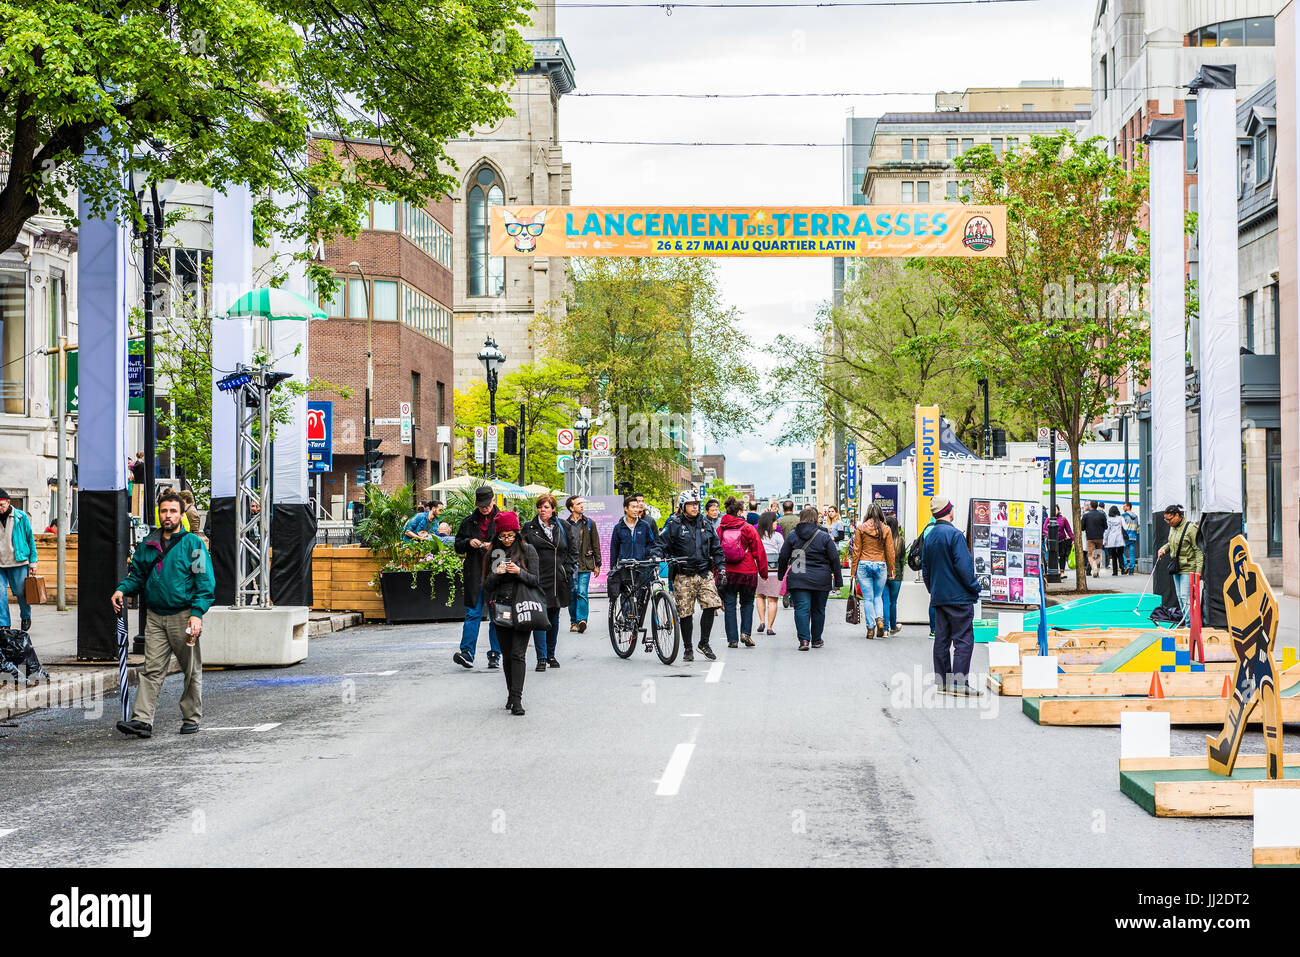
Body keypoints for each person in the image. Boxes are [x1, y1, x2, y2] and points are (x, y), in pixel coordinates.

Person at [112, 490, 215, 737]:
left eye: (173, 511)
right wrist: (121, 589)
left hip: (184, 615)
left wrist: (197, 614)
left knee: (190, 669)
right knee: (151, 670)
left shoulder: (193, 545)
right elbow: (137, 575)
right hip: (155, 617)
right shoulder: (149, 543)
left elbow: (204, 582)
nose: (168, 515)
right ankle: (142, 720)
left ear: (182, 514)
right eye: (164, 511)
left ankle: (191, 717)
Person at [922, 496, 980, 695]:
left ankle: (943, 682)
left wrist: (934, 590)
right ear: (948, 511)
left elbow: (926, 570)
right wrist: (974, 587)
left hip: (939, 595)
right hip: (959, 597)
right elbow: (964, 566)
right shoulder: (955, 535)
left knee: (942, 639)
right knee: (963, 639)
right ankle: (959, 683)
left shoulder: (929, 536)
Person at [482, 511, 537, 716]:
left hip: (523, 606)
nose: (507, 539)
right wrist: (497, 574)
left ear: (517, 533)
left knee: (518, 654)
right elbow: (486, 585)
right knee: (507, 655)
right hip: (501, 608)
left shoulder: (527, 550)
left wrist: (518, 572)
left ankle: (517, 699)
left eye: (510, 535)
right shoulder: (493, 553)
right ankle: (510, 694)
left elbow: (536, 580)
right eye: (503, 536)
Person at [660, 493, 724, 662]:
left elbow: (716, 548)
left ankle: (704, 643)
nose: (695, 507)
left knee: (711, 605)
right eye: (691, 504)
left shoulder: (705, 523)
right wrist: (656, 555)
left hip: (704, 572)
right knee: (685, 613)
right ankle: (688, 647)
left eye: (696, 503)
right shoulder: (673, 524)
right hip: (683, 574)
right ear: (682, 506)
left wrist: (722, 568)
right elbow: (661, 544)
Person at [777, 506, 843, 650]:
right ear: (815, 519)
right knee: (818, 610)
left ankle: (804, 640)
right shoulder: (824, 536)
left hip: (798, 575)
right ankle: (817, 640)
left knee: (801, 608)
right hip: (821, 577)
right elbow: (834, 559)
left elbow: (783, 556)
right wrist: (838, 581)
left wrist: (781, 574)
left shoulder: (793, 535)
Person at [453, 486, 502, 670]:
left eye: (487, 505)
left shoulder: (501, 520)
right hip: (474, 576)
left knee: (496, 615)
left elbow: (513, 542)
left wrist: (494, 545)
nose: (484, 508)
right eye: (481, 505)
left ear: (493, 500)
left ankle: (495, 654)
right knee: (472, 614)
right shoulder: (469, 522)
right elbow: (457, 545)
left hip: (496, 575)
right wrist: (468, 542)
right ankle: (467, 653)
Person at [522, 494, 572, 671]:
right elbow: (522, 552)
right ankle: (541, 657)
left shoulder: (563, 526)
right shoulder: (529, 527)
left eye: (546, 507)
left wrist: (569, 570)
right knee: (539, 618)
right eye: (540, 507)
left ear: (553, 509)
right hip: (538, 578)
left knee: (553, 618)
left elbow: (572, 550)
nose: (542, 510)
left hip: (558, 578)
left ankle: (551, 654)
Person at [716, 497, 768, 648]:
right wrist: (763, 573)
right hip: (747, 572)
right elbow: (759, 551)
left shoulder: (721, 529)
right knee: (747, 603)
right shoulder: (747, 528)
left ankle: (732, 639)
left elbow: (715, 551)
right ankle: (745, 633)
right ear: (739, 512)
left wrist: (716, 572)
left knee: (730, 604)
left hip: (728, 572)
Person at [607, 493, 661, 609]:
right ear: (626, 508)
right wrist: (613, 568)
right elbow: (614, 548)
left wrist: (651, 555)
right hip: (625, 566)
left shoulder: (645, 525)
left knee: (640, 596)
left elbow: (652, 544)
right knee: (626, 595)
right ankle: (627, 621)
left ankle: (637, 623)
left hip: (641, 566)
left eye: (637, 507)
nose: (636, 510)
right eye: (633, 507)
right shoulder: (618, 527)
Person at [850, 502, 894, 638]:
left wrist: (853, 571)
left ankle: (870, 629)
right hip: (880, 563)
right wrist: (891, 569)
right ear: (880, 514)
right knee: (878, 596)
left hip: (863, 563)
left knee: (868, 598)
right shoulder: (886, 529)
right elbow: (890, 551)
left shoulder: (861, 528)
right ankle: (880, 620)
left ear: (867, 513)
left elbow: (856, 550)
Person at [0, 491, 37, 632]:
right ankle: (4, 624)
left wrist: (33, 562)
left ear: (8, 502)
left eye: (1, 505)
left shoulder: (21, 517)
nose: (0, 508)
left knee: (22, 593)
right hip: (0, 564)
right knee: (0, 594)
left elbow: (30, 540)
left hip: (18, 562)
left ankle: (26, 616)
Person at [564, 495, 601, 634]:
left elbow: (596, 544)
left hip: (585, 563)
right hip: (570, 564)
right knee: (572, 593)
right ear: (571, 508)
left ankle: (582, 620)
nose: (581, 506)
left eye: (581, 503)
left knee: (582, 592)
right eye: (578, 504)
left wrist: (598, 564)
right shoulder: (565, 525)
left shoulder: (590, 523)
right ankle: (573, 621)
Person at [1156, 504, 1202, 616]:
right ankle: (1187, 622)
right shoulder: (1173, 527)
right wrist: (1164, 549)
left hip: (1188, 568)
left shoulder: (1191, 528)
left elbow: (1198, 551)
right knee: (1180, 597)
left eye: (1169, 519)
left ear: (1177, 515)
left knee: (1185, 597)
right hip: (1176, 567)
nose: (1168, 522)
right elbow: (1172, 543)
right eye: (1166, 520)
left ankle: (1189, 625)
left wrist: (1198, 572)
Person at [754, 511, 784, 636]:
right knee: (773, 599)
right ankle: (770, 627)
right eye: (774, 521)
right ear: (769, 522)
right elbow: (782, 552)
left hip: (759, 570)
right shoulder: (777, 536)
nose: (776, 523)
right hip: (774, 571)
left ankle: (761, 621)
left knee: (760, 596)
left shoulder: (757, 535)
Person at [884, 515, 905, 635]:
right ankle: (893, 626)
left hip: (884, 573)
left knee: (885, 601)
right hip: (896, 574)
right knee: (893, 602)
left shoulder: (882, 539)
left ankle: (885, 629)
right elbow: (902, 559)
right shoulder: (900, 540)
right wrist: (901, 573)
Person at [1044, 504, 1074, 573]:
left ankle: (1062, 571)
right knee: (1052, 556)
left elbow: (1068, 530)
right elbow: (1044, 529)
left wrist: (1073, 539)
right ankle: (1052, 571)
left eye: (1056, 510)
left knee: (1062, 556)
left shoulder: (1063, 519)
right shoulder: (1048, 519)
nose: (1054, 511)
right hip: (1052, 541)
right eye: (1053, 510)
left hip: (1062, 540)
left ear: (1059, 510)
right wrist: (1048, 534)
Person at [1081, 500, 1107, 577]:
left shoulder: (1086, 515)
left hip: (1090, 538)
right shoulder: (1102, 515)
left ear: (1090, 506)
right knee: (1098, 554)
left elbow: (1082, 527)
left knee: (1090, 555)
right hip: (1100, 537)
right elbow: (1106, 526)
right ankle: (1097, 571)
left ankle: (1094, 567)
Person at [1103, 505, 1126, 576]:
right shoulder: (1121, 518)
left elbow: (1107, 531)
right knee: (1120, 554)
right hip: (1120, 539)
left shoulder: (1108, 519)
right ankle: (1122, 568)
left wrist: (1104, 540)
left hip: (1111, 540)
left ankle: (1115, 572)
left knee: (1113, 556)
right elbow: (1126, 527)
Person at [1121, 502, 1139, 574]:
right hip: (1134, 536)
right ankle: (1131, 571)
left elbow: (1121, 526)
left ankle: (1126, 565)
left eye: (1124, 506)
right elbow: (1137, 526)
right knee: (1132, 554)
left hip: (1126, 537)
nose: (1123, 508)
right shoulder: (1136, 516)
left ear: (1128, 507)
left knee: (1121, 552)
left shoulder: (1124, 515)